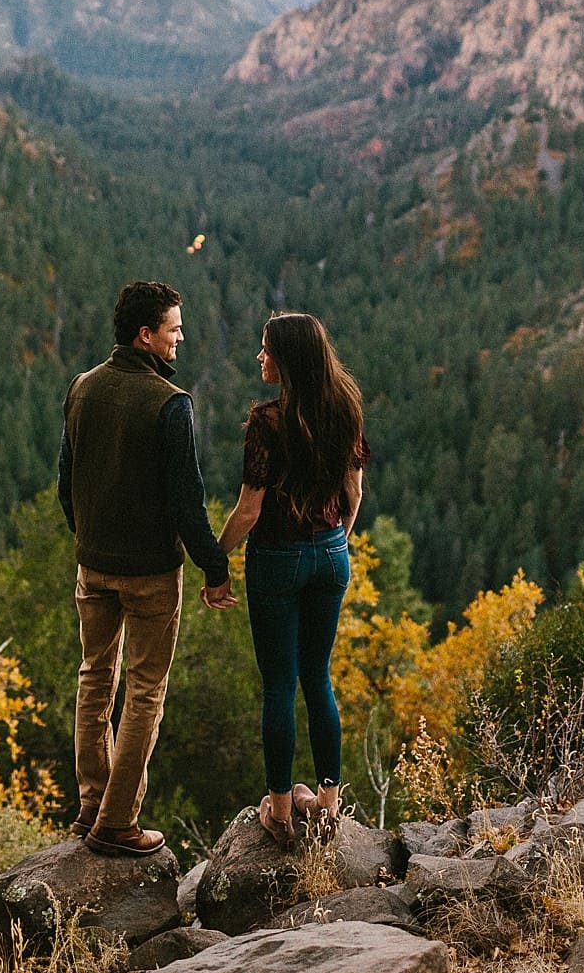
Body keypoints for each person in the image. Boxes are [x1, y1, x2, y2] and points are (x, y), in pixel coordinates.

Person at [57, 280, 236, 856]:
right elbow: (188, 503)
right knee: (144, 692)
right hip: (151, 576)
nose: (180, 338)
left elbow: (67, 481)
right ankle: (117, 822)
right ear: (146, 335)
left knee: (93, 675)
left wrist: (88, 537)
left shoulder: (83, 388)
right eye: (173, 329)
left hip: (93, 565)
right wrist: (215, 567)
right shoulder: (170, 404)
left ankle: (90, 804)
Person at [216, 312, 368, 846]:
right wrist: (337, 541)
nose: (260, 357)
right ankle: (328, 807)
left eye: (266, 350)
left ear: (287, 359)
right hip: (331, 557)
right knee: (318, 679)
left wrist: (215, 559)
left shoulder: (267, 422)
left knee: (279, 686)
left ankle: (279, 811)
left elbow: (249, 510)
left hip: (278, 561)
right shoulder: (345, 408)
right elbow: (354, 492)